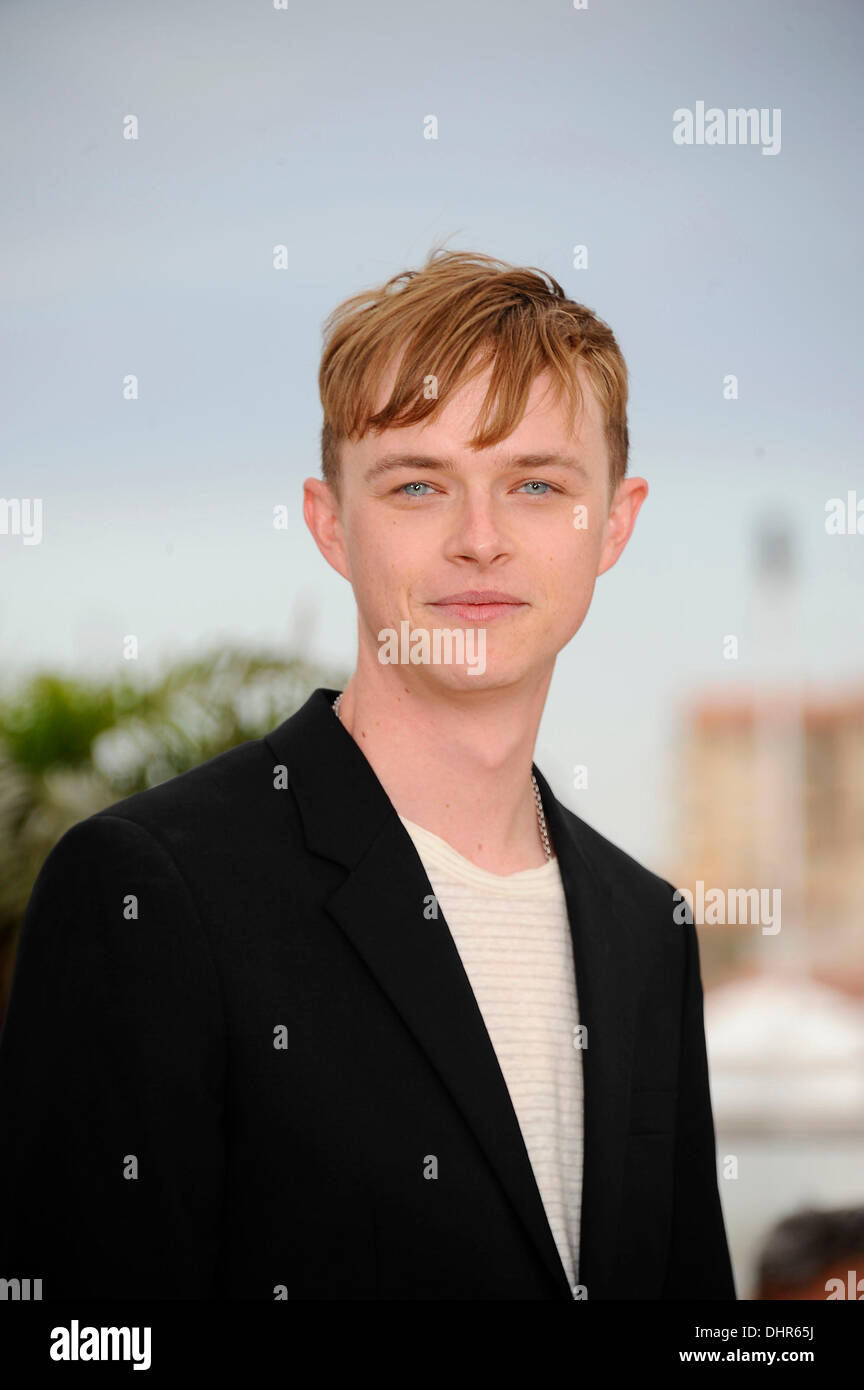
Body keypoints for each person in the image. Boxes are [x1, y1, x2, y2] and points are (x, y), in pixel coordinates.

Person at [0, 248, 735, 1300]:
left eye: (535, 484)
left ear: (613, 522)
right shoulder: (149, 889)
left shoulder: (644, 923)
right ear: (331, 522)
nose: (479, 541)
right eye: (419, 483)